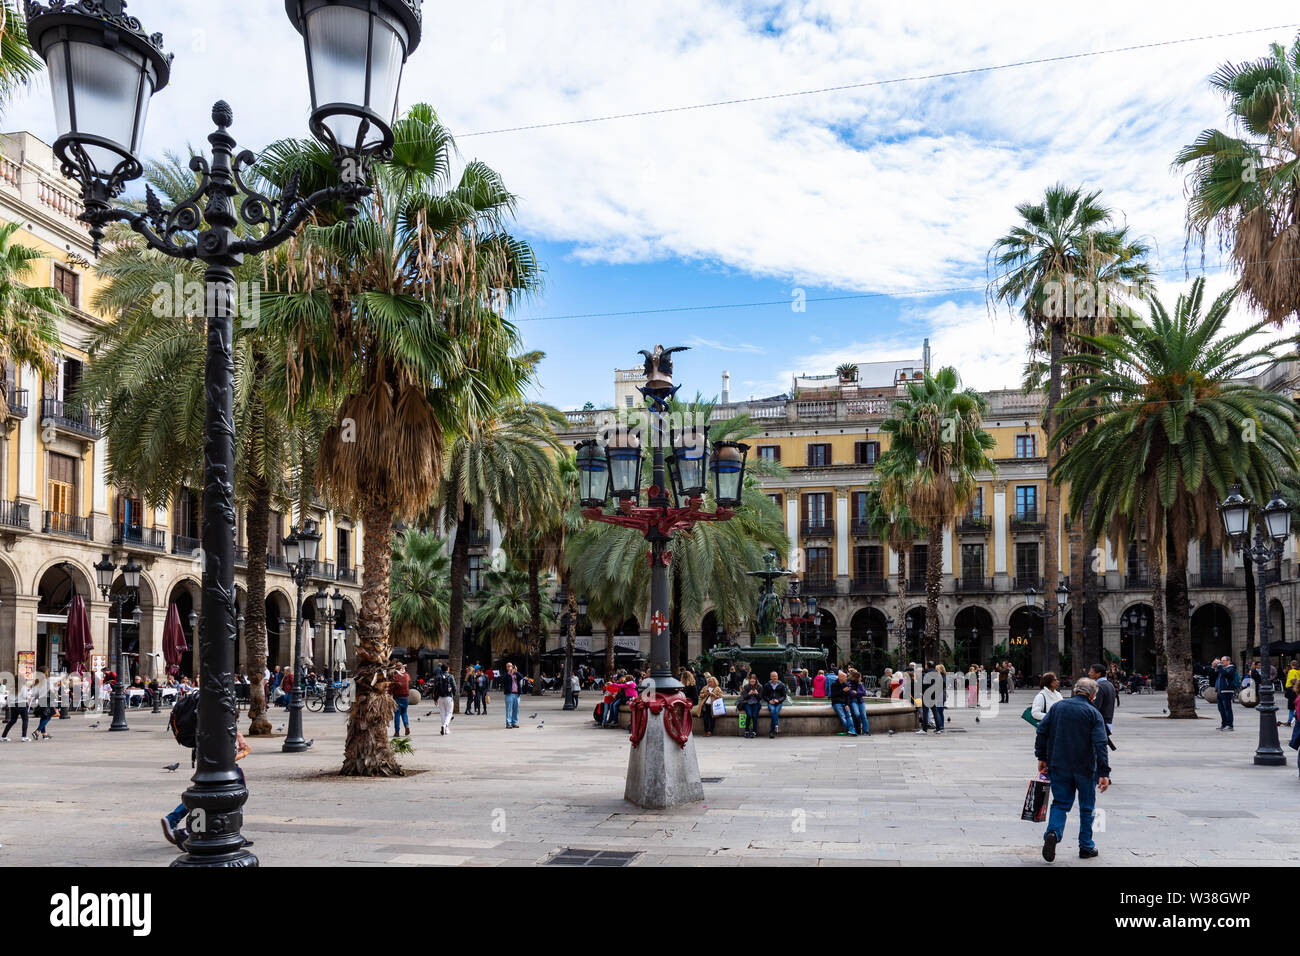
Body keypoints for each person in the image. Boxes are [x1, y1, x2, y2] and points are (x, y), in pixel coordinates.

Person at [1034, 677, 1111, 862]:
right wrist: (1104, 772)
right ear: (1092, 695)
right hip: (1085, 768)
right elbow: (1101, 743)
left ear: (1076, 690)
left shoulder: (1058, 707)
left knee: (1060, 803)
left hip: (1059, 765)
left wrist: (1041, 757)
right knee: (1086, 807)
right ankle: (1086, 846)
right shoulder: (1093, 713)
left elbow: (1041, 731)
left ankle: (1052, 833)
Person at [1087, 664, 1117, 742]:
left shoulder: (1099, 686)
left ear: (1098, 674)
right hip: (1107, 721)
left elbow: (1095, 706)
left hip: (1100, 723)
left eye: (1091, 672)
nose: (1089, 673)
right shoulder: (1109, 684)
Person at [1214, 656, 1238, 731]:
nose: (1221, 662)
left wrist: (1219, 666)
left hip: (1227, 691)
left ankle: (1230, 725)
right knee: (1221, 709)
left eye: (1223, 661)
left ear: (1228, 661)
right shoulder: (1222, 669)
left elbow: (1226, 675)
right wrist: (1214, 666)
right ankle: (1224, 724)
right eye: (1221, 661)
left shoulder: (1231, 668)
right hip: (1220, 691)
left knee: (1227, 708)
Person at [828, 670, 856, 736]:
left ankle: (852, 730)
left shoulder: (846, 684)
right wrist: (843, 691)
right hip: (837, 703)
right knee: (843, 716)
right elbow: (833, 695)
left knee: (849, 715)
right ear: (840, 677)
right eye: (845, 677)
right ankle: (849, 730)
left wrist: (847, 704)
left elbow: (847, 697)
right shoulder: (834, 684)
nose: (846, 678)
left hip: (844, 703)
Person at [432, 665, 456, 735]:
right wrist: (453, 696)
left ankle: (445, 729)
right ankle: (445, 725)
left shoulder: (438, 677)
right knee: (449, 713)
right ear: (447, 669)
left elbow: (435, 689)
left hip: (440, 697)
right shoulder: (450, 676)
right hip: (448, 697)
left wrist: (435, 699)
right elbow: (454, 687)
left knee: (442, 713)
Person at [763, 671, 787, 738]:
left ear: (777, 677)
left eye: (775, 676)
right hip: (771, 702)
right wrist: (769, 701)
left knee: (775, 711)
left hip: (778, 702)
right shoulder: (767, 685)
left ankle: (772, 732)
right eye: (773, 676)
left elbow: (784, 696)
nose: (774, 677)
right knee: (773, 710)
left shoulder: (781, 685)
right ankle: (776, 725)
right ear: (770, 677)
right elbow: (764, 696)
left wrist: (778, 700)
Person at [499, 662, 523, 729]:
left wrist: (516, 671)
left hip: (517, 694)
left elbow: (521, 677)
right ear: (506, 668)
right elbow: (502, 681)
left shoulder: (516, 674)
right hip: (509, 694)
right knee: (509, 709)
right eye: (508, 666)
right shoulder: (506, 674)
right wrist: (508, 673)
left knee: (516, 709)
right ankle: (508, 724)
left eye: (511, 666)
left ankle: (514, 723)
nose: (510, 667)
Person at [389, 661, 411, 737]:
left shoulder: (395, 677)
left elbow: (391, 689)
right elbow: (408, 681)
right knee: (404, 713)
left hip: (397, 697)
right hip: (406, 697)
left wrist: (389, 694)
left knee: (397, 714)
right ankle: (406, 726)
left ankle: (397, 732)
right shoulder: (407, 675)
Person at [846, 668, 869, 735]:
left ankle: (866, 731)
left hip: (861, 701)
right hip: (853, 701)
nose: (861, 678)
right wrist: (858, 693)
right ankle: (859, 729)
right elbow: (850, 693)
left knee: (864, 716)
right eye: (860, 677)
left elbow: (864, 693)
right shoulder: (849, 684)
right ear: (857, 678)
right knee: (857, 714)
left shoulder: (860, 684)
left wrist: (856, 693)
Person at [1285, 660, 1300, 727]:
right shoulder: (1299, 671)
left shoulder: (1291, 671)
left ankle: (1289, 721)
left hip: (1291, 690)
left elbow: (1290, 682)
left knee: (1291, 708)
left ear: (1292, 665)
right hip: (1298, 689)